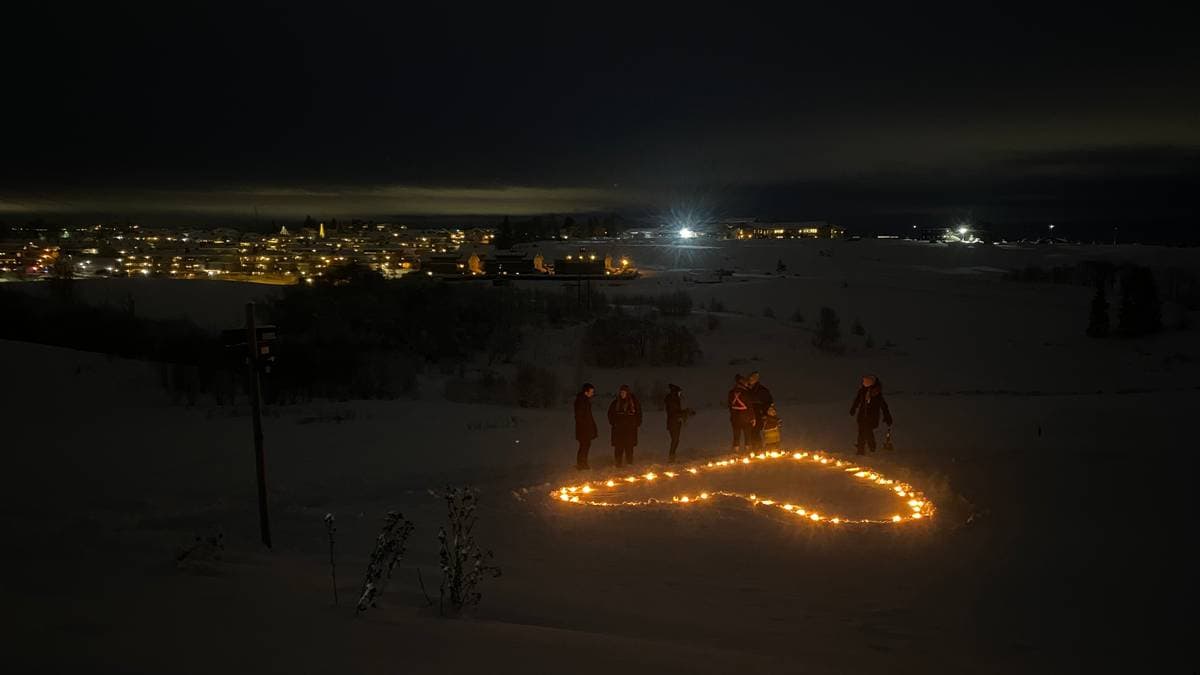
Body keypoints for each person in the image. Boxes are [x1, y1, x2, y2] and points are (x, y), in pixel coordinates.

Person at [849, 375, 892, 455]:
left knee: (868, 431)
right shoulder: (862, 391)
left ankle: (872, 445)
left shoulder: (877, 394)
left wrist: (887, 416)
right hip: (862, 416)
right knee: (861, 432)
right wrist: (853, 409)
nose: (864, 383)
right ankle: (860, 450)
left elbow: (883, 406)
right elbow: (857, 400)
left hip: (872, 417)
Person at [607, 384, 642, 467]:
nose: (622, 394)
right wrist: (614, 422)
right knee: (619, 447)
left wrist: (636, 423)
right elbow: (610, 414)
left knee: (629, 447)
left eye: (624, 392)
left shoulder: (633, 403)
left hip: (629, 429)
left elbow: (639, 414)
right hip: (618, 430)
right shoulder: (616, 403)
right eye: (621, 392)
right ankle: (618, 463)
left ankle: (629, 463)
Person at [728, 374, 755, 455]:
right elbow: (749, 406)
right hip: (745, 417)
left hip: (735, 417)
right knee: (747, 434)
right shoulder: (745, 393)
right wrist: (753, 417)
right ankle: (748, 451)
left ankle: (735, 452)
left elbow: (729, 406)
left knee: (736, 435)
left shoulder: (731, 392)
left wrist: (733, 415)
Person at [663, 383, 690, 463]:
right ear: (675, 392)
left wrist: (685, 412)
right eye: (679, 392)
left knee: (675, 440)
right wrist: (684, 412)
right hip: (673, 423)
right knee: (675, 440)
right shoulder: (672, 401)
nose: (680, 394)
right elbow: (674, 413)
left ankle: (672, 458)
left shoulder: (674, 400)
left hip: (675, 422)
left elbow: (677, 412)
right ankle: (671, 458)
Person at [747, 371, 773, 449]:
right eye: (750, 378)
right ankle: (755, 447)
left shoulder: (762, 390)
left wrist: (765, 413)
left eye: (752, 378)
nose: (750, 380)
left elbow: (768, 401)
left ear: (756, 379)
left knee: (756, 431)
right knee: (752, 431)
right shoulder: (748, 389)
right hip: (750, 414)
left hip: (759, 413)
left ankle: (758, 448)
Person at [573, 383, 598, 469]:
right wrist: (585, 427)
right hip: (583, 429)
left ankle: (583, 463)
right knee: (584, 446)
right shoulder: (581, 401)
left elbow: (588, 416)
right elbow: (579, 417)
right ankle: (581, 464)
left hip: (586, 429)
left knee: (586, 445)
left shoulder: (585, 401)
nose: (592, 393)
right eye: (591, 391)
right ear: (586, 392)